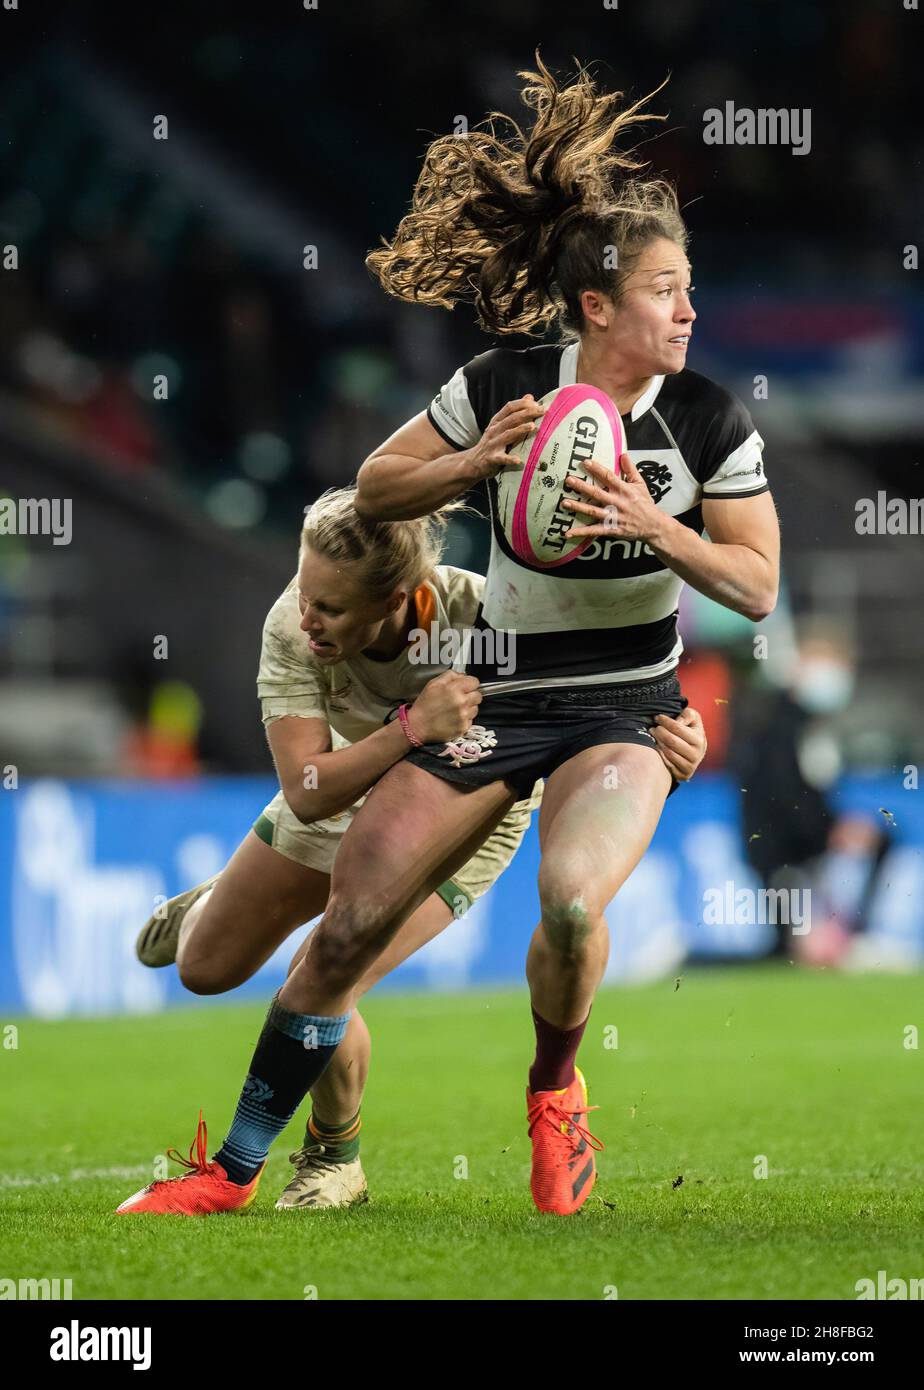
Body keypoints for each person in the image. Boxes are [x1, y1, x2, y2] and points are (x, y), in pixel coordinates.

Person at [120, 54, 774, 1220]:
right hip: (501, 694)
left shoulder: (710, 420)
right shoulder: (505, 384)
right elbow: (375, 486)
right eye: (667, 289)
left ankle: (556, 1092)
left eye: (688, 287)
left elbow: (760, 585)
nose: (687, 309)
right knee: (346, 930)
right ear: (596, 307)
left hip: (626, 709)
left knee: (572, 903)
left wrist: (649, 527)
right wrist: (474, 466)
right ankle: (230, 1175)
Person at [121, 486, 707, 1213]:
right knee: (203, 969)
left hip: (463, 816)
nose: (308, 618)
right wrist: (410, 727)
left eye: (330, 608)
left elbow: (603, 701)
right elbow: (307, 790)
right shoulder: (289, 624)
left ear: (401, 599)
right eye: (307, 594)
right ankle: (212, 902)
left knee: (324, 970)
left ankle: (334, 1159)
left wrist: (673, 735)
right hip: (340, 778)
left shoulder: (491, 621)